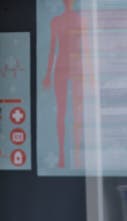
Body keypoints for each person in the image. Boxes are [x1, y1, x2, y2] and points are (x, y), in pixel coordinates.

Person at [42, 0, 85, 169]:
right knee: (63, 112)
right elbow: (52, 49)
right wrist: (47, 75)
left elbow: (85, 47)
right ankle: (62, 156)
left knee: (76, 112)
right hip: (62, 68)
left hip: (75, 68)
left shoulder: (79, 20)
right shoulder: (57, 21)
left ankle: (75, 156)